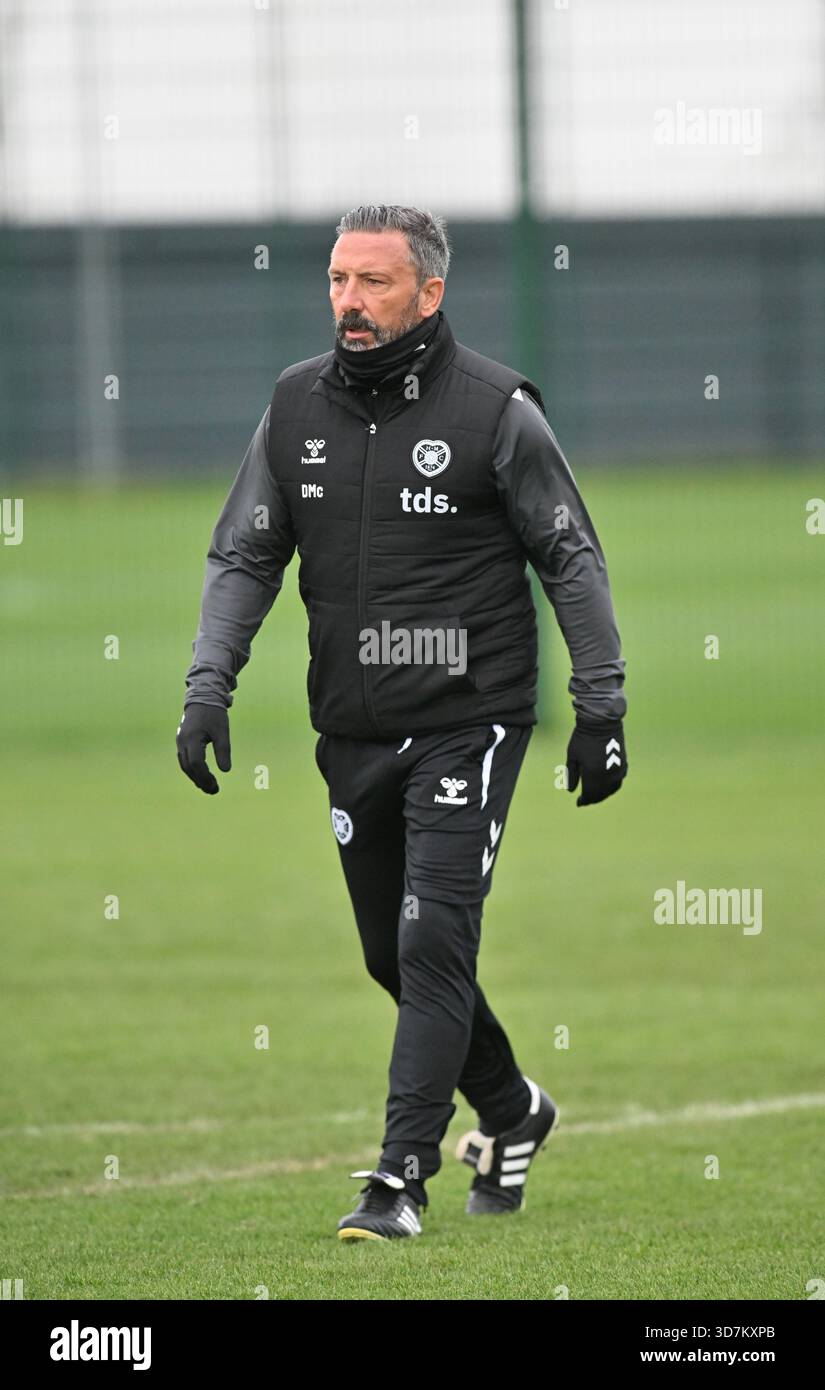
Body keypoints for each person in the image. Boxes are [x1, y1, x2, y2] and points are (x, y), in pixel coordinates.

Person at [176, 203, 628, 1241]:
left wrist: (600, 706)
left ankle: (398, 1179)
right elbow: (246, 553)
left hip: (473, 719)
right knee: (393, 953)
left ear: (430, 293)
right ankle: (513, 1110)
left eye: (374, 283)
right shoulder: (293, 408)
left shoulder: (497, 410)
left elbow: (572, 557)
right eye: (338, 279)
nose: (350, 301)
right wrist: (211, 684)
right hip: (353, 729)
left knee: (431, 944)